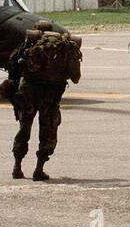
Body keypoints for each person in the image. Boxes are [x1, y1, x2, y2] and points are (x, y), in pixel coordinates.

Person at [6, 21, 81, 181]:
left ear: (37, 30)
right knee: (47, 132)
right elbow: (75, 77)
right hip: (51, 96)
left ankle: (17, 167)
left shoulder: (29, 45)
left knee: (24, 129)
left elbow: (13, 67)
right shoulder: (63, 46)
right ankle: (39, 169)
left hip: (29, 93)